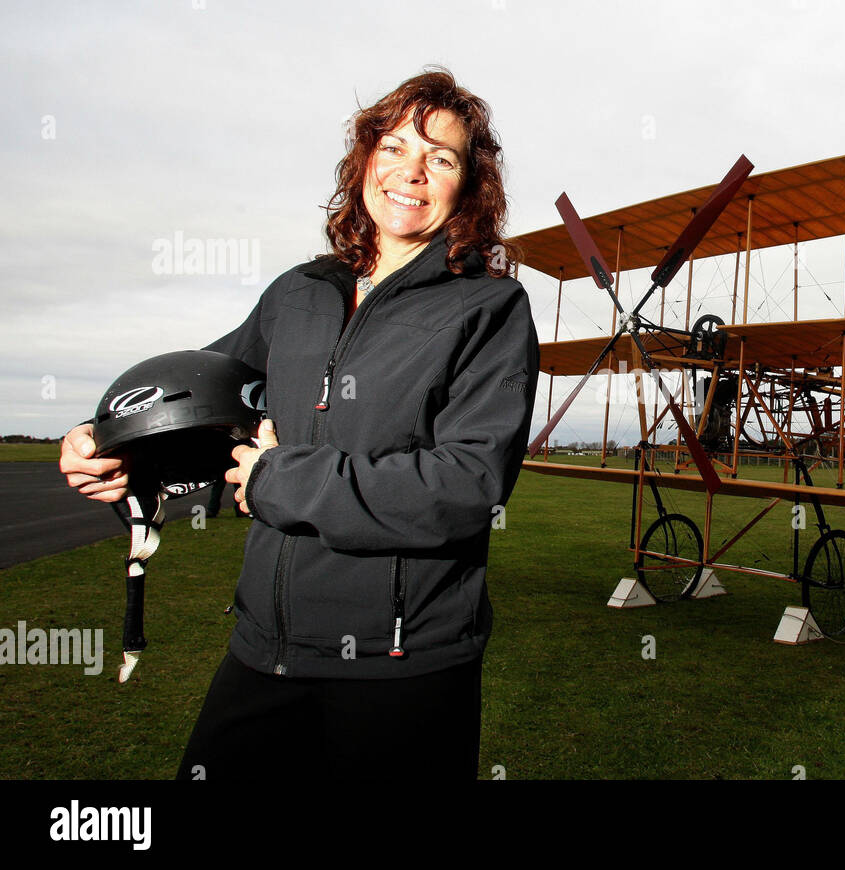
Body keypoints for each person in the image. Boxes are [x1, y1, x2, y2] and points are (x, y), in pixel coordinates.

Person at [58, 68, 539, 780]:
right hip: (265, 649)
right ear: (365, 159)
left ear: (468, 183)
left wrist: (281, 477)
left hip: (403, 666)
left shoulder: (490, 309)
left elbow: (466, 487)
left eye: (441, 158)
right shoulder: (300, 292)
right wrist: (110, 444)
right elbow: (201, 399)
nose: (412, 172)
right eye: (395, 147)